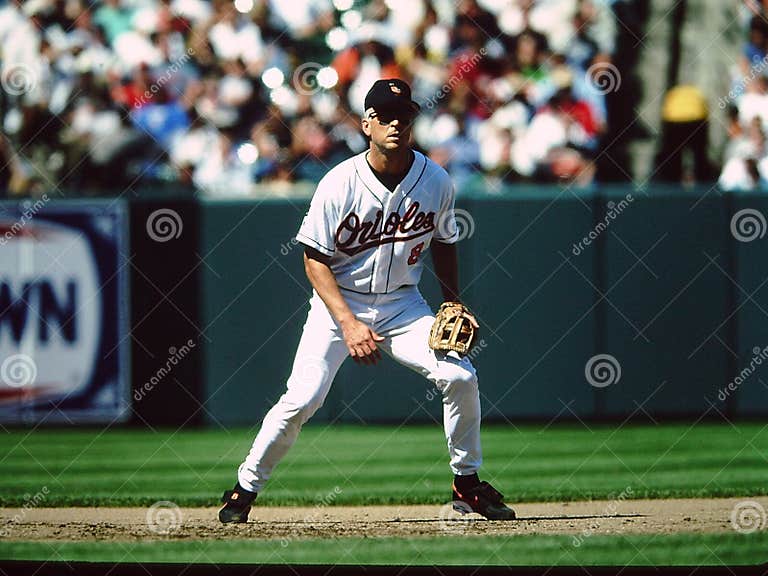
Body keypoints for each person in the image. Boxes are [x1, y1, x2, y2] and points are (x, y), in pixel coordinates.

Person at [218, 78, 516, 523]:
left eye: (404, 116)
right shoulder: (339, 182)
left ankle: (466, 483)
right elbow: (314, 260)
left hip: (403, 305)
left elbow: (444, 241)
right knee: (302, 398)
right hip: (338, 305)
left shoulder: (436, 180)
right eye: (386, 116)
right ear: (366, 124)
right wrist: (348, 323)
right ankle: (244, 489)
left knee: (459, 375)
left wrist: (452, 301)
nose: (396, 124)